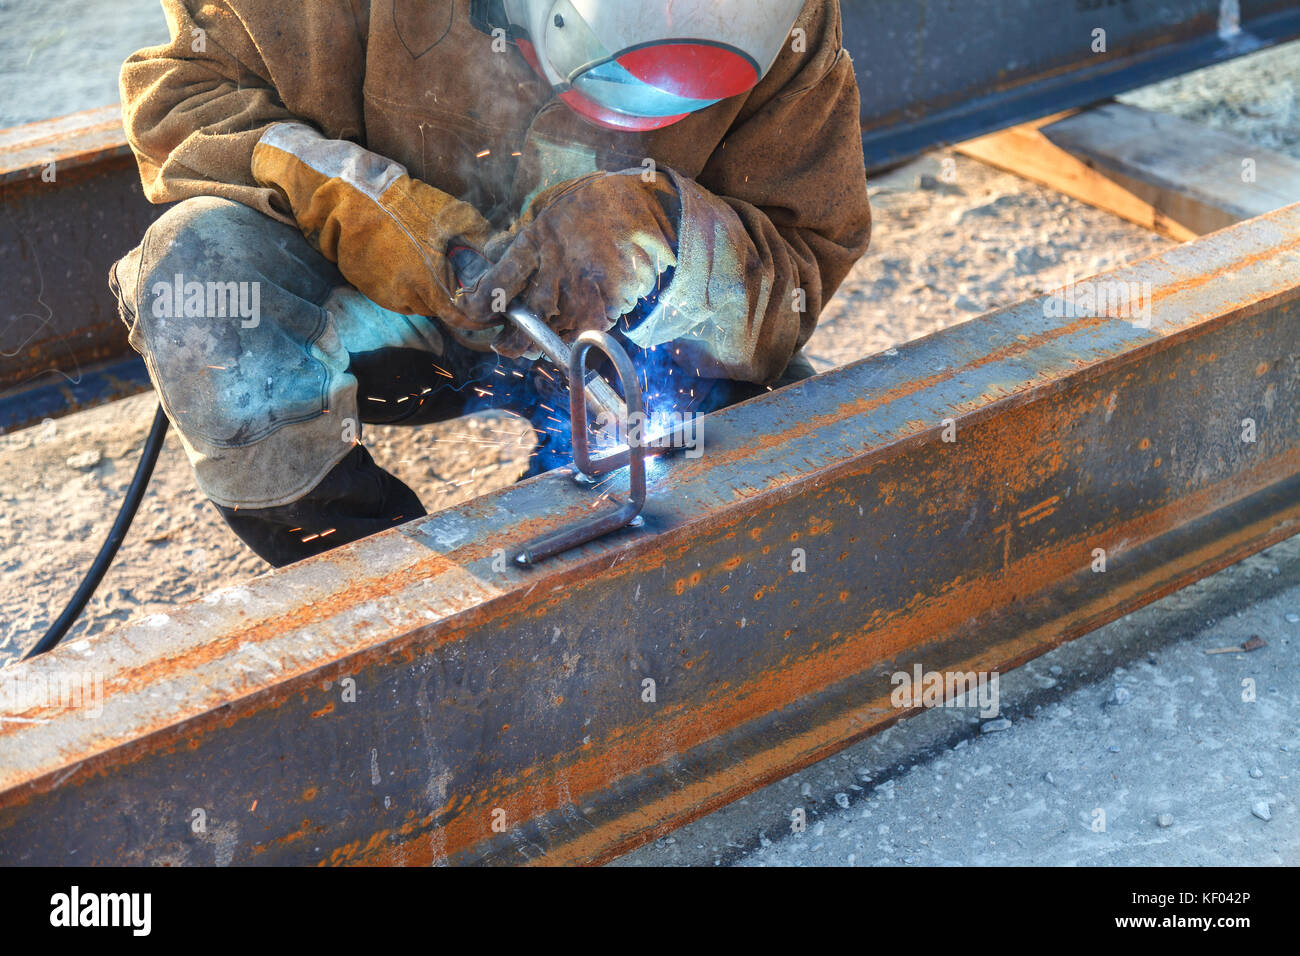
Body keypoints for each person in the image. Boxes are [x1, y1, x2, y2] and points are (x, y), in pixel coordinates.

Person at [109, 0, 873, 566]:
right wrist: (344, 193)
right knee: (197, 273)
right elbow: (183, 94)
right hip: (378, 313)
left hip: (619, 338)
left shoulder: (789, 20)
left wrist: (661, 229)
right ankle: (367, 579)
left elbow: (803, 251)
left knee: (764, 510)